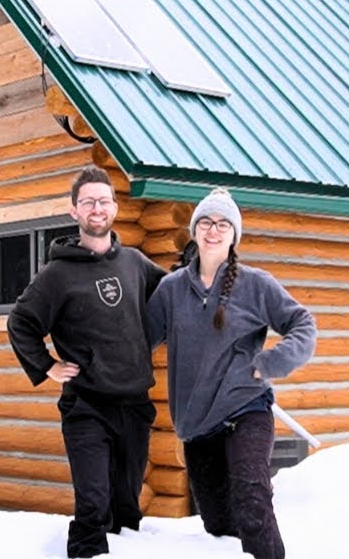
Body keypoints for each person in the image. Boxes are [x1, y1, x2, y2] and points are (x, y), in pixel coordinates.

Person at [145, 188, 316, 559]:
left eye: (223, 224)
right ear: (194, 230)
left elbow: (303, 324)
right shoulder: (171, 291)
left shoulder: (255, 284)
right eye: (205, 222)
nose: (213, 230)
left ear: (234, 234)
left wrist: (271, 363)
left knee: (251, 497)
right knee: (218, 523)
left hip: (246, 409)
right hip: (199, 424)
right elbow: (138, 339)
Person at [6, 166, 167, 558]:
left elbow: (173, 295)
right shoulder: (57, 275)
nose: (97, 208)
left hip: (133, 404)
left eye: (104, 200)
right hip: (87, 406)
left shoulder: (134, 262)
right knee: (93, 504)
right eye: (88, 201)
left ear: (114, 207)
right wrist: (47, 366)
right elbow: (21, 322)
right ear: (75, 210)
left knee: (126, 506)